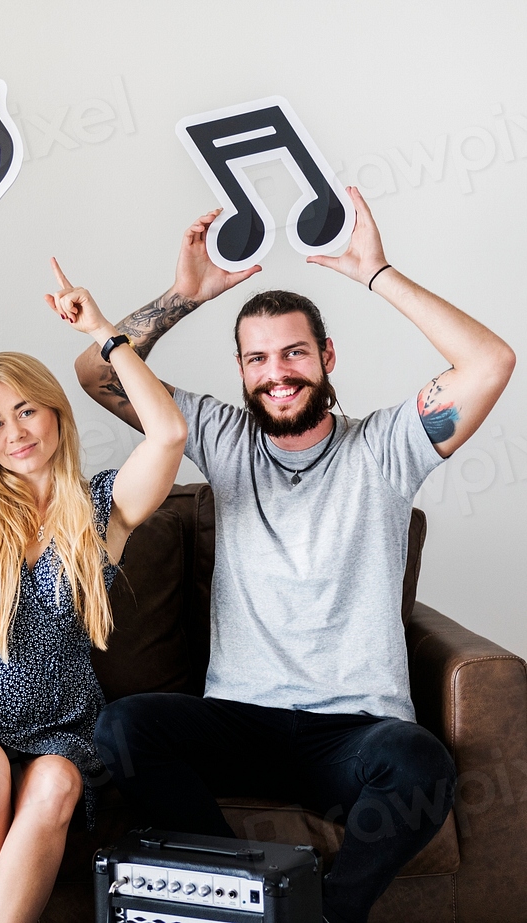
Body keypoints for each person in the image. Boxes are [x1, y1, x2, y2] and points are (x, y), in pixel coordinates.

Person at [81, 188, 516, 923]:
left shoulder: (385, 446)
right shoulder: (218, 435)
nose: (277, 372)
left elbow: (491, 360)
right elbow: (97, 375)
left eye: (293, 352)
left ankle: (321, 914)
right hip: (241, 721)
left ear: (326, 356)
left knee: (423, 764)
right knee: (123, 729)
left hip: (353, 732)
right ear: (242, 370)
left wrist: (377, 273)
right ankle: (252, 894)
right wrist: (183, 295)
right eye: (257, 358)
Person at [0, 190, 187, 923]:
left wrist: (103, 330)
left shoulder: (103, 509)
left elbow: (169, 437)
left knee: (57, 787)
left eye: (26, 408)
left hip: (63, 721)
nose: (13, 430)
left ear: (55, 410)